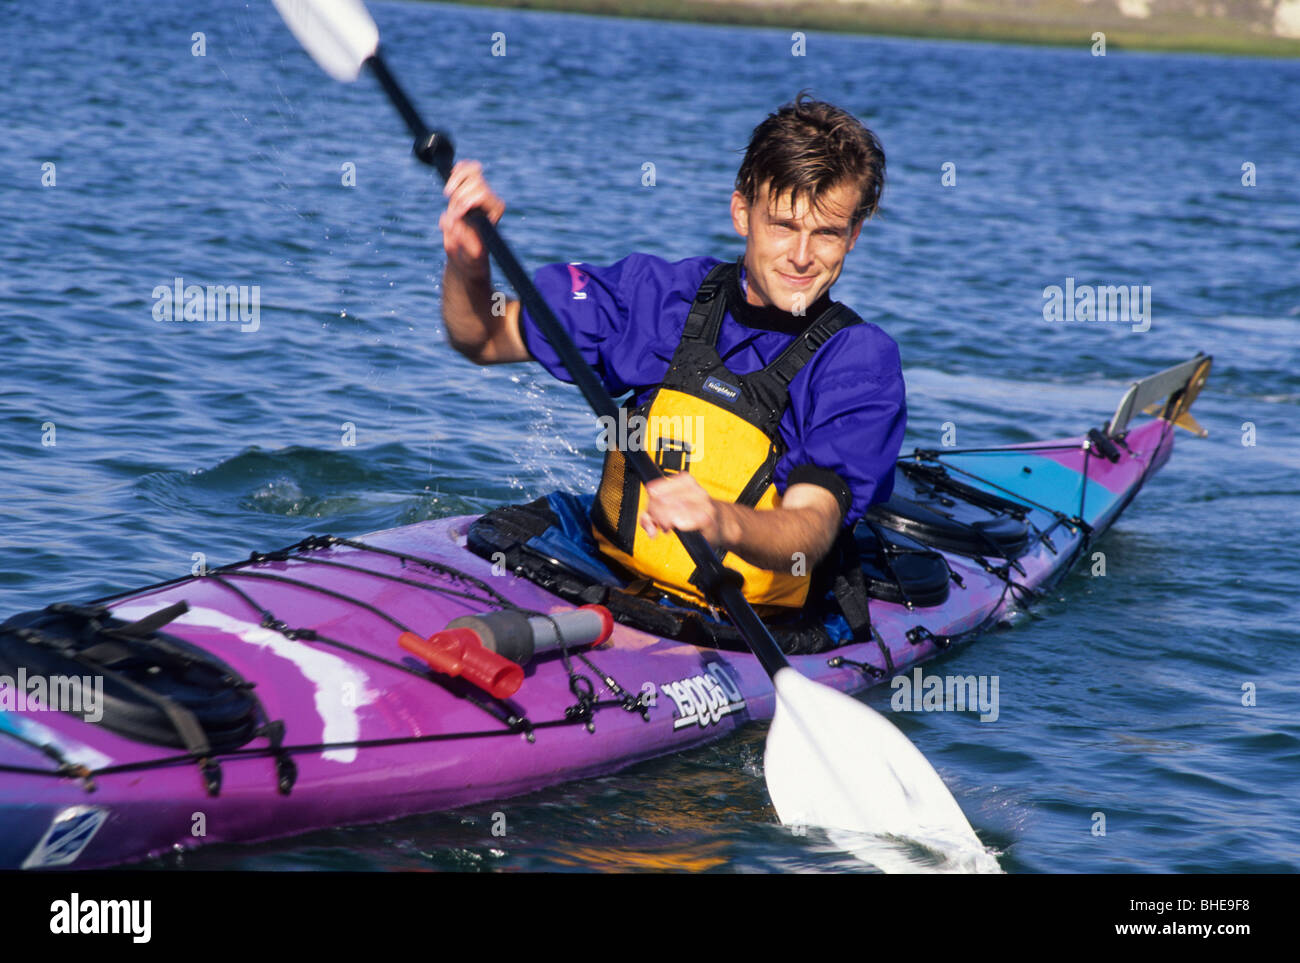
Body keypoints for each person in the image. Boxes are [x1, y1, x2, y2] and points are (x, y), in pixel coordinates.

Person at [439, 95, 905, 622]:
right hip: (603, 575)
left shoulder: (858, 362)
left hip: (749, 621)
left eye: (826, 233)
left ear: (853, 234)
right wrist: (468, 263)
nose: (802, 256)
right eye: (782, 225)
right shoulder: (658, 298)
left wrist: (722, 521)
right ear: (741, 213)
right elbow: (481, 339)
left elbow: (812, 526)